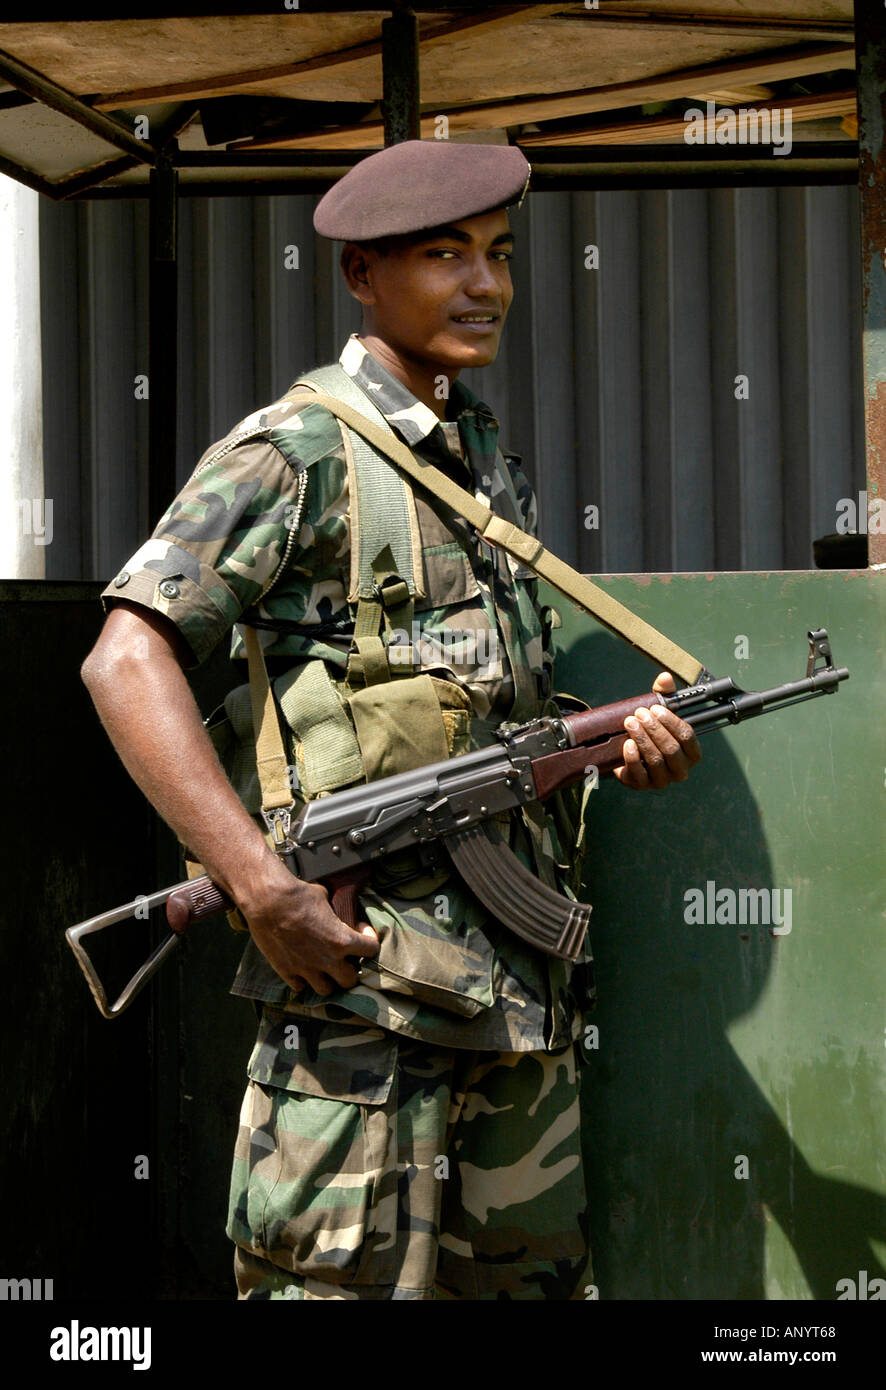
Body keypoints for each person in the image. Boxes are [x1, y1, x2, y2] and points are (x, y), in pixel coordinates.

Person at [81, 140, 701, 1300]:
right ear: (362, 275)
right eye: (444, 255)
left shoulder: (474, 454)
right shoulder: (296, 452)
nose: (486, 285)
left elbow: (481, 695)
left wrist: (598, 750)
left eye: (501, 255)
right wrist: (262, 889)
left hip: (513, 1010)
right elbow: (125, 660)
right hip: (364, 1015)